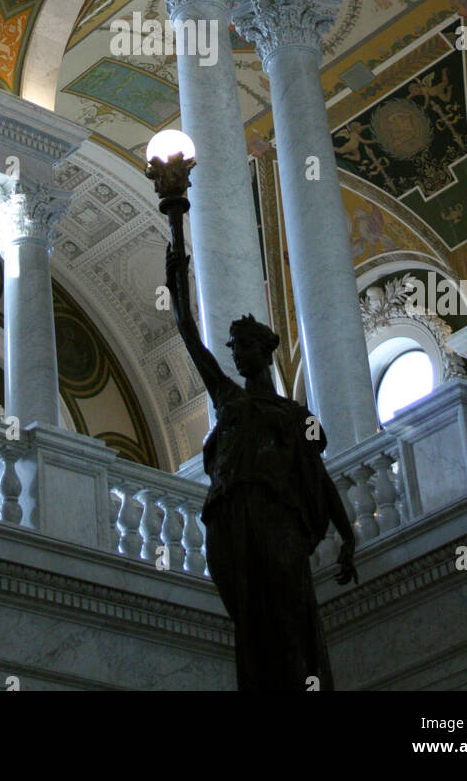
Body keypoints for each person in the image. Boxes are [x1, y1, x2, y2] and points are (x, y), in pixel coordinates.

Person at [165, 243, 357, 692]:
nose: (235, 354)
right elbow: (189, 336)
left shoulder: (296, 418)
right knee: (250, 630)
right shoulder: (228, 400)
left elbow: (318, 475)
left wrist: (347, 535)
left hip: (276, 521)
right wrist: (176, 286)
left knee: (288, 623)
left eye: (242, 346)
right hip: (230, 522)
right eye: (232, 347)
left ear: (264, 350)